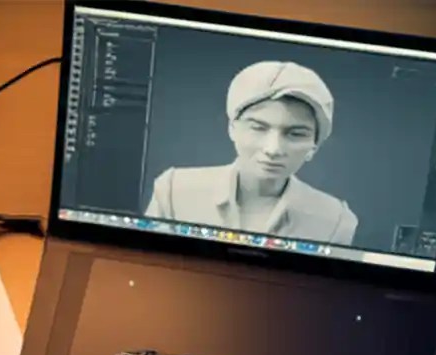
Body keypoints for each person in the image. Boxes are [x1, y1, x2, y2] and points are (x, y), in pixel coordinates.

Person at [144, 60, 358, 245]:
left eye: (295, 134)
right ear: (232, 129)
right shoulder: (175, 191)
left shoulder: (335, 220)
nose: (273, 149)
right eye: (258, 127)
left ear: (314, 146)